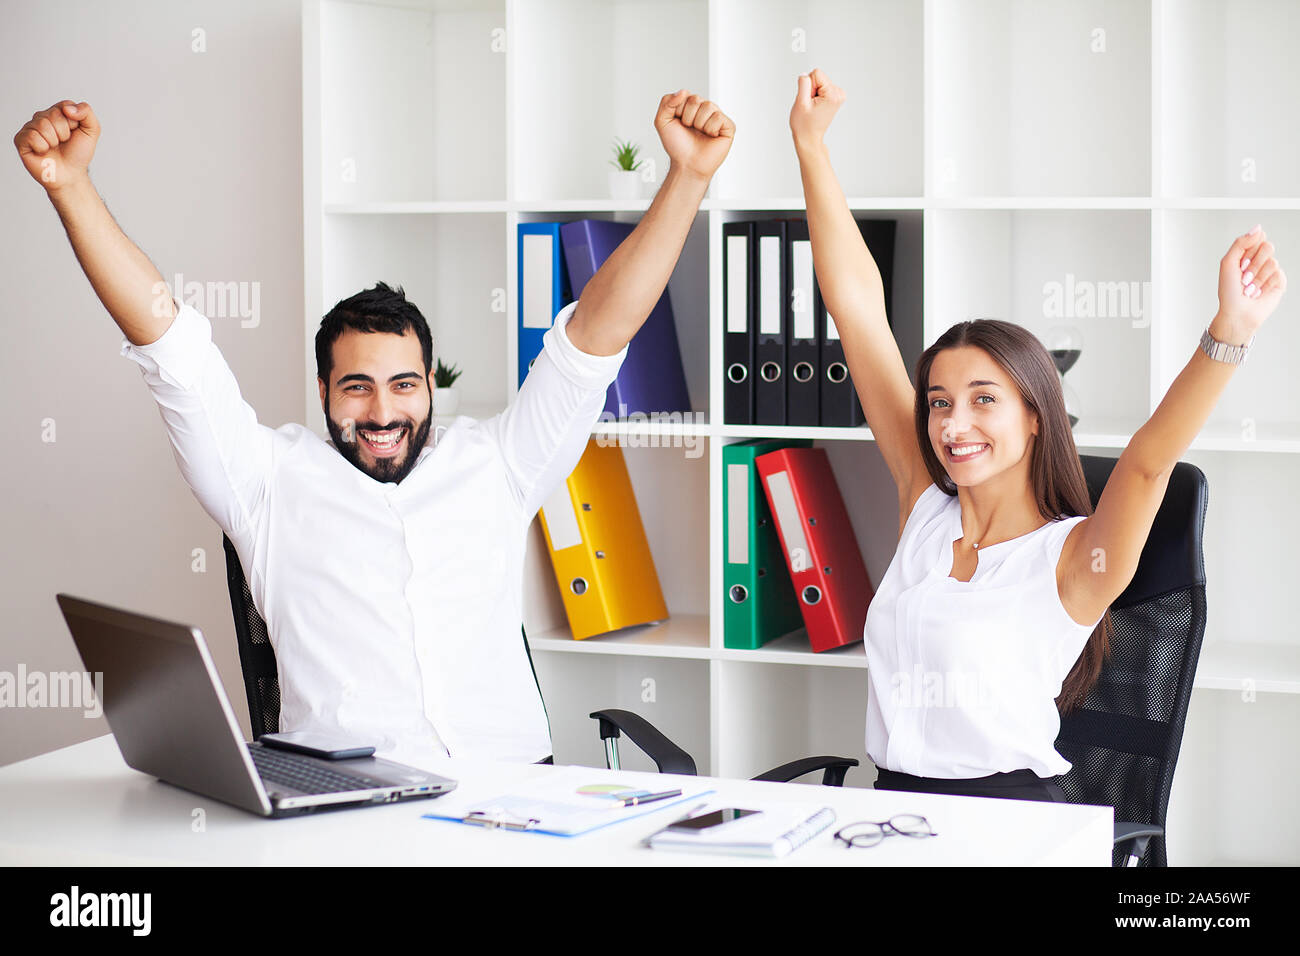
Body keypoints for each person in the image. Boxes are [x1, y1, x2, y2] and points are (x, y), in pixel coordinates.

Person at [14, 90, 734, 770]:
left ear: (430, 387)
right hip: (347, 806)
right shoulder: (264, 481)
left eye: (403, 385)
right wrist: (69, 186)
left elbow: (594, 341)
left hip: (515, 799)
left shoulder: (498, 464)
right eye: (356, 387)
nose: (383, 413)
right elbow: (173, 350)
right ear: (324, 390)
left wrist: (687, 178)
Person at [788, 68, 1286, 802]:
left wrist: (1230, 331)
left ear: (1034, 416)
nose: (953, 425)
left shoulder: (1075, 558)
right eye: (938, 403)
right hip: (891, 804)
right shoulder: (926, 507)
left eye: (983, 400)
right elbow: (858, 310)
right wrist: (810, 145)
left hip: (1007, 818)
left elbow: (1149, 465)